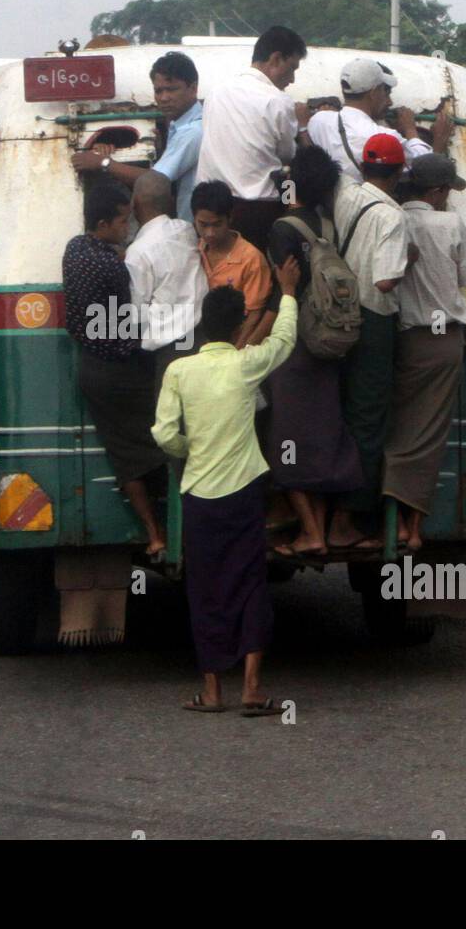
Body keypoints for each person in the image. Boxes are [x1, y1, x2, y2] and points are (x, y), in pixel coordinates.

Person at [151, 256, 302, 716]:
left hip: (199, 495)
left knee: (206, 591)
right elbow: (284, 339)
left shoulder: (179, 371)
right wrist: (288, 292)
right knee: (250, 584)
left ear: (202, 325)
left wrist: (187, 451)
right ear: (240, 326)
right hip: (243, 495)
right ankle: (253, 689)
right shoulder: (244, 366)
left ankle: (213, 691)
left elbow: (162, 434)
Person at [263, 146, 362, 557]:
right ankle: (319, 528)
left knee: (286, 441)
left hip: (294, 349)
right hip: (331, 345)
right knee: (320, 441)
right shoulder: (328, 225)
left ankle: (310, 532)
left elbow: (278, 298)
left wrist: (247, 343)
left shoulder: (282, 229)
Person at [62, 182, 168, 557]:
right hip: (120, 371)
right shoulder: (114, 266)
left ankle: (154, 533)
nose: (129, 226)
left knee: (125, 456)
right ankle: (174, 523)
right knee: (166, 438)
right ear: (104, 223)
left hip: (91, 368)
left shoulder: (75, 248)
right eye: (123, 220)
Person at [381, 154, 466, 551]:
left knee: (396, 428)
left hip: (400, 338)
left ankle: (392, 519)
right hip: (441, 340)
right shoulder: (450, 222)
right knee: (428, 436)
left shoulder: (393, 218)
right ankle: (411, 527)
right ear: (436, 191)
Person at [328, 133, 410, 549]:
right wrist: (408, 260)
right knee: (369, 419)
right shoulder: (393, 217)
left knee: (340, 413)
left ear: (364, 167)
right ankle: (351, 517)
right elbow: (384, 279)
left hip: (336, 318)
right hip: (374, 319)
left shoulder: (346, 196)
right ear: (399, 172)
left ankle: (328, 508)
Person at [196, 26, 308, 250]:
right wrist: (303, 127)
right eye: (292, 68)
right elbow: (287, 157)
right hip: (259, 210)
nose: (293, 79)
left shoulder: (216, 93)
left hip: (209, 207)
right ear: (276, 59)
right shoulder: (278, 100)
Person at [71, 51, 204, 223]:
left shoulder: (192, 131)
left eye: (171, 90)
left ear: (193, 89)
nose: (163, 98)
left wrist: (102, 163)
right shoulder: (177, 127)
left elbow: (154, 183)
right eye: (158, 91)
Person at [305, 57, 451, 182]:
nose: (390, 102)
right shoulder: (386, 138)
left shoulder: (319, 120)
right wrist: (411, 130)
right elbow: (422, 166)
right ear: (374, 93)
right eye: (384, 91)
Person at [125, 170, 207, 391]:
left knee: (169, 423)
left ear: (134, 204)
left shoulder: (137, 253)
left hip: (169, 353)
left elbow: (136, 313)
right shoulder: (187, 229)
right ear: (171, 202)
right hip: (203, 341)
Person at [190, 180, 272, 349]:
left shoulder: (252, 259)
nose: (210, 233)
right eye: (203, 225)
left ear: (230, 218)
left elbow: (254, 314)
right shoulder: (193, 249)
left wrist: (235, 353)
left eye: (217, 224)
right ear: (194, 219)